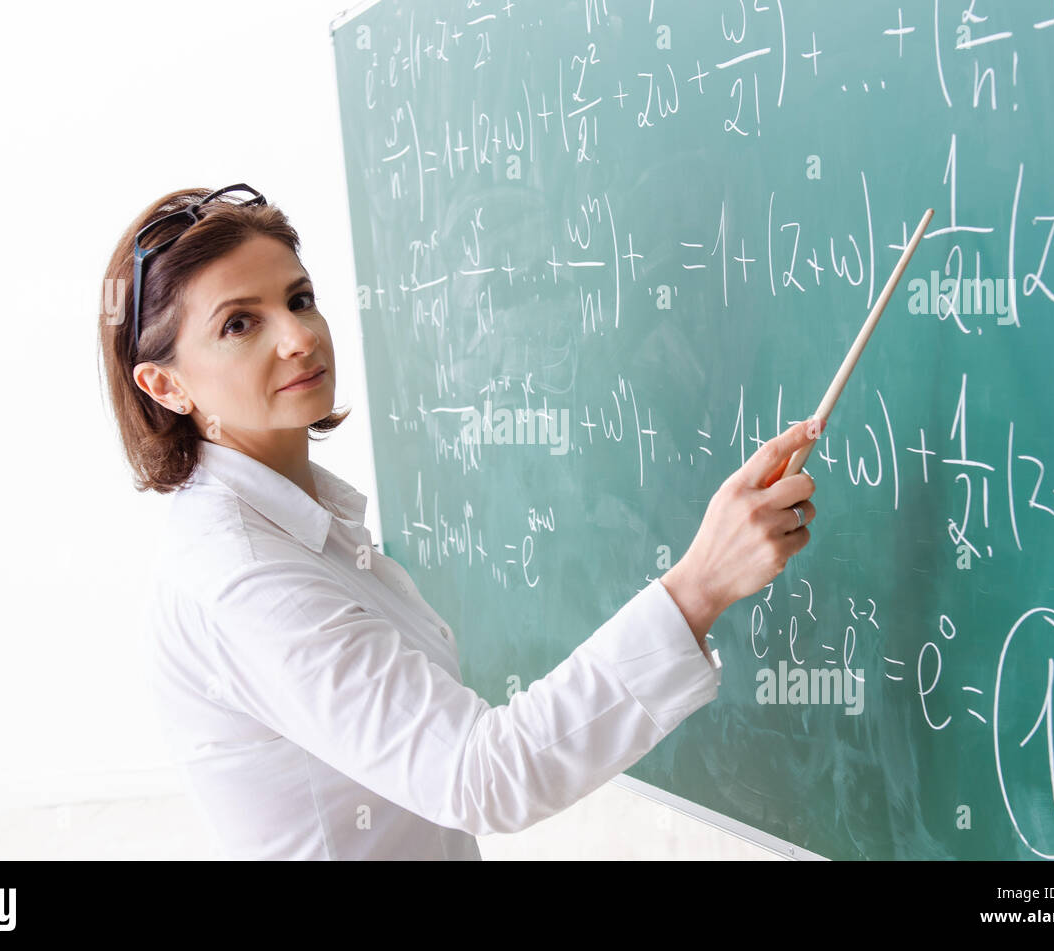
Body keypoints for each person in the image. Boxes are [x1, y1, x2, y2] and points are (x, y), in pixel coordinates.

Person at [98, 184, 820, 860]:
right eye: (240, 323)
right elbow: (481, 774)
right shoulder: (243, 576)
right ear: (165, 384)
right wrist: (698, 588)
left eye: (300, 298)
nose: (298, 337)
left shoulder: (299, 522)